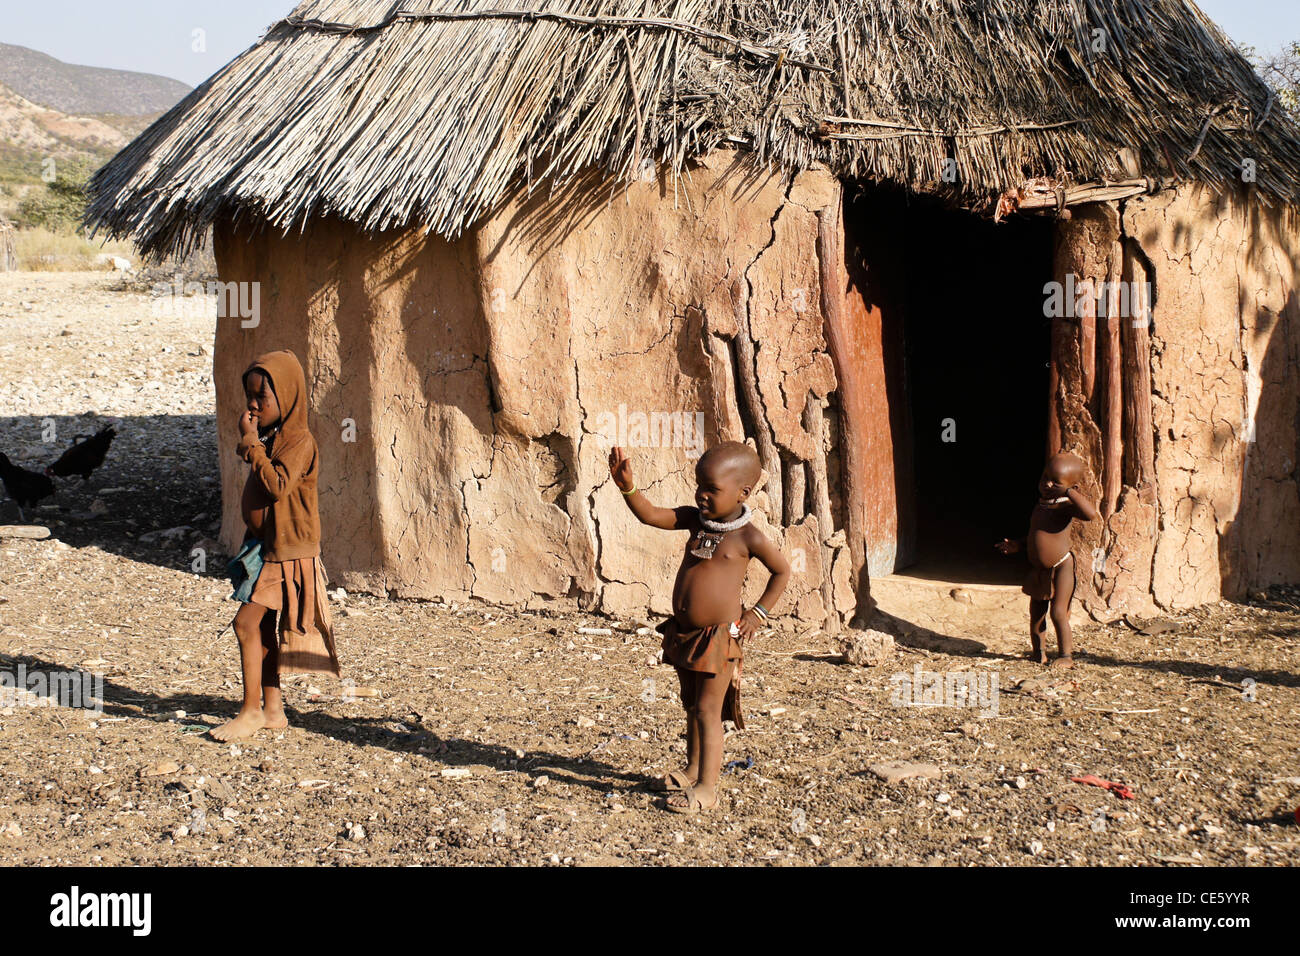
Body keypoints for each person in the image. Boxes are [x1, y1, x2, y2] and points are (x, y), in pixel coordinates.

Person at [609, 441, 790, 813]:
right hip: (685, 633)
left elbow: (782, 571)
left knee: (709, 710)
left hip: (718, 638)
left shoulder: (747, 536)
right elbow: (651, 515)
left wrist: (757, 614)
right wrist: (627, 487)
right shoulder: (695, 520)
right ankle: (693, 769)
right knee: (691, 704)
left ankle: (708, 787)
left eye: (712, 489)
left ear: (744, 492)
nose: (701, 495)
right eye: (699, 485)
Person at [213, 349, 339, 741]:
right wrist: (256, 441)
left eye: (261, 398)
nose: (252, 406)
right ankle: (272, 709)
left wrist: (251, 444)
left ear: (286, 396)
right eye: (249, 397)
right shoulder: (276, 436)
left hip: (286, 552)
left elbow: (277, 485)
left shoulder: (299, 440)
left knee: (246, 623)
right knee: (264, 629)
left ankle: (250, 711)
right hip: (267, 546)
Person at [996, 452, 1098, 668]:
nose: (1048, 484)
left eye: (1056, 482)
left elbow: (1091, 514)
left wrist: (1069, 493)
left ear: (1072, 487)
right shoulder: (1041, 505)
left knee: (1058, 613)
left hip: (1061, 566)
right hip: (1039, 569)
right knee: (1036, 614)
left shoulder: (1065, 507)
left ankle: (1066, 656)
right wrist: (1019, 544)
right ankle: (1038, 653)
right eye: (1045, 478)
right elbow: (1036, 535)